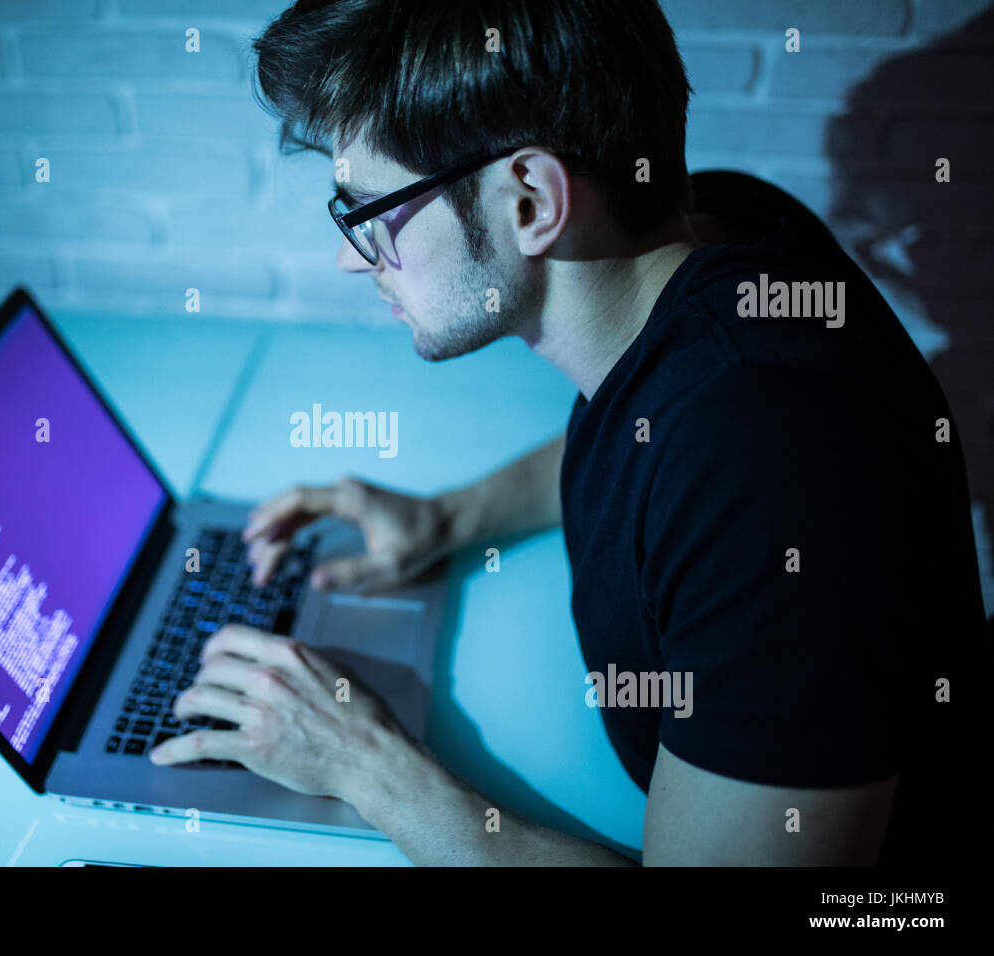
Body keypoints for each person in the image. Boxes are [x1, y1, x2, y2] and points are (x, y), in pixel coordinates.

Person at [149, 0, 986, 865]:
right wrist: (449, 519)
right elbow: (651, 436)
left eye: (368, 211)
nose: (352, 256)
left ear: (533, 201)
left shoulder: (769, 468)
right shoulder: (719, 232)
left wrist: (365, 764)